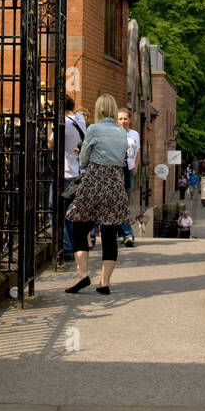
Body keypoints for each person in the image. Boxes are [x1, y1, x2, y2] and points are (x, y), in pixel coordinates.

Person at [65, 93, 130, 294]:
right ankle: (104, 283)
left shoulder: (93, 129)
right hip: (115, 182)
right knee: (110, 232)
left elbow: (83, 158)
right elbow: (122, 158)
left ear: (99, 110)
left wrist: (85, 169)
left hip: (94, 180)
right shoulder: (121, 132)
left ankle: (82, 275)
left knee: (79, 226)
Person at [61, 96, 87, 261]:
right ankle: (75, 246)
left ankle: (68, 248)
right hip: (79, 171)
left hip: (67, 173)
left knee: (59, 212)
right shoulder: (80, 120)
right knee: (73, 213)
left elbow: (51, 143)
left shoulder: (64, 125)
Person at [117, 106, 140, 247]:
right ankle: (128, 234)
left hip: (129, 171)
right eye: (120, 118)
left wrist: (136, 166)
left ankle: (122, 234)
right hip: (117, 171)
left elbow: (137, 151)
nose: (123, 121)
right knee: (121, 203)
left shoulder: (134, 134)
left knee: (124, 202)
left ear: (130, 120)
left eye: (125, 118)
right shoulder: (113, 133)